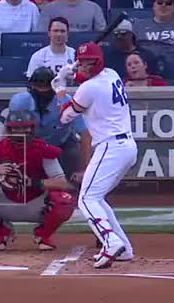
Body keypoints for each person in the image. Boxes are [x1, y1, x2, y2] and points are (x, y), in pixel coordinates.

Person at [57, 42, 137, 268]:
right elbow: (88, 84)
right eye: (80, 62)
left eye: (86, 62)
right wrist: (75, 74)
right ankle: (123, 248)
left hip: (110, 147)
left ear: (97, 62)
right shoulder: (111, 74)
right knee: (96, 197)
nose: (82, 65)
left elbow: (65, 116)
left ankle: (110, 242)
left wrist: (61, 87)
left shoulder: (88, 88)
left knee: (86, 199)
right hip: (126, 146)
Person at [0, 108, 77, 251]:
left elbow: (62, 183)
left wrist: (32, 182)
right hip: (6, 200)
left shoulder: (43, 149)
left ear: (32, 129)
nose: (21, 132)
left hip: (37, 201)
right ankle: (0, 232)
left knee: (64, 200)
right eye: (17, 128)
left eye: (25, 128)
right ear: (9, 130)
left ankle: (43, 234)